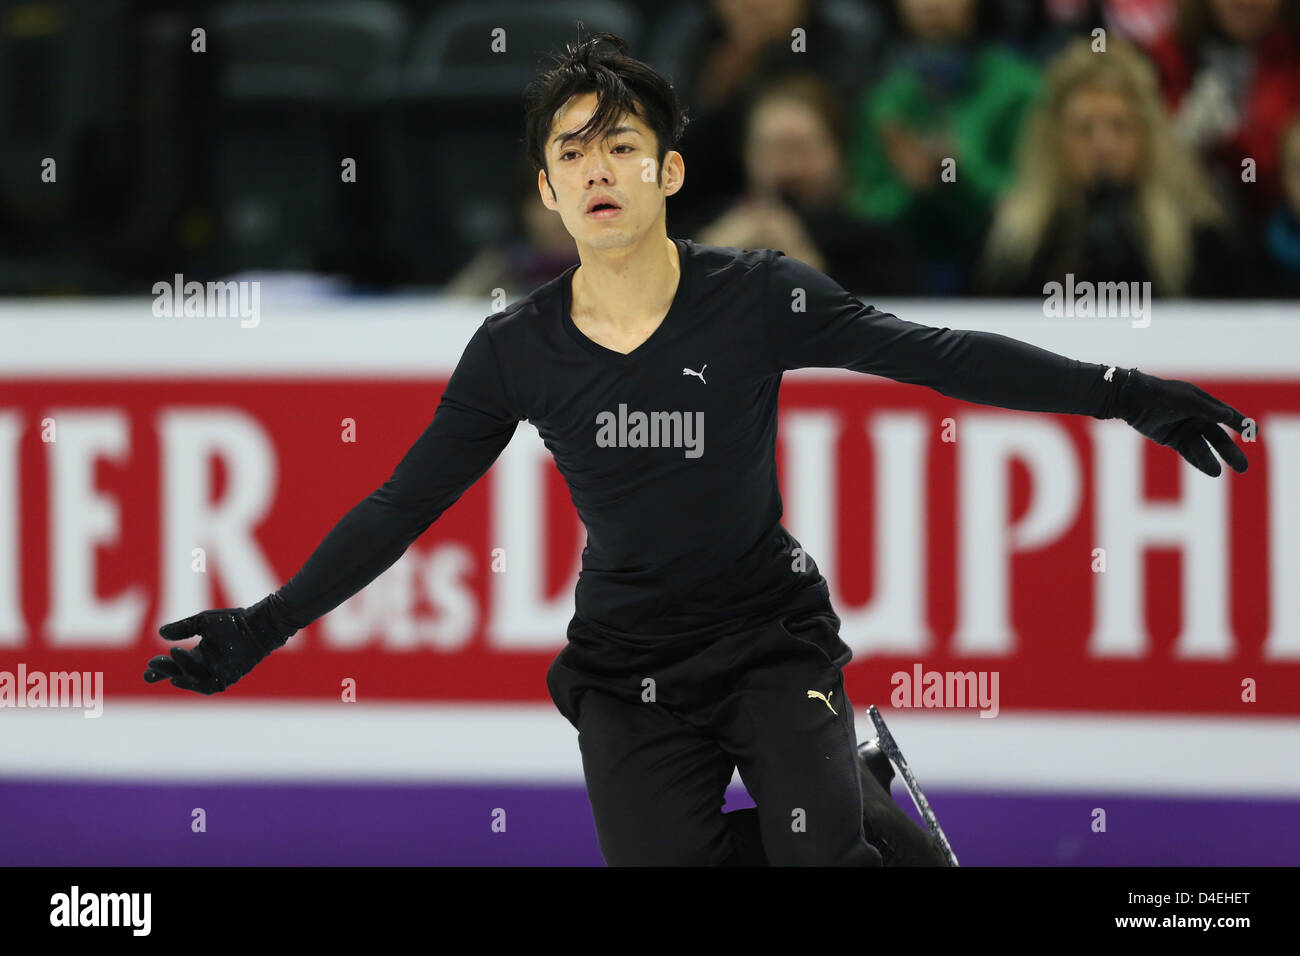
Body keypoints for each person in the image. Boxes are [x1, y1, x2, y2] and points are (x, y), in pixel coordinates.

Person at [144, 31, 1252, 867]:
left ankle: (843, 812)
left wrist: (1124, 392)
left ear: (668, 172)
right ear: (544, 190)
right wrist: (265, 621)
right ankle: (859, 797)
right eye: (570, 151)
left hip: (768, 634)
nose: (597, 169)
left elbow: (936, 352)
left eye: (621, 145)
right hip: (627, 666)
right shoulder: (515, 350)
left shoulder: (755, 295)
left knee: (813, 852)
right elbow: (399, 504)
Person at [979, 37, 1245, 297]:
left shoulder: (1198, 231)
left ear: (1147, 137)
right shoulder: (1016, 243)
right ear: (1054, 140)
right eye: (1084, 129)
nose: (1104, 145)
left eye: (1120, 126)